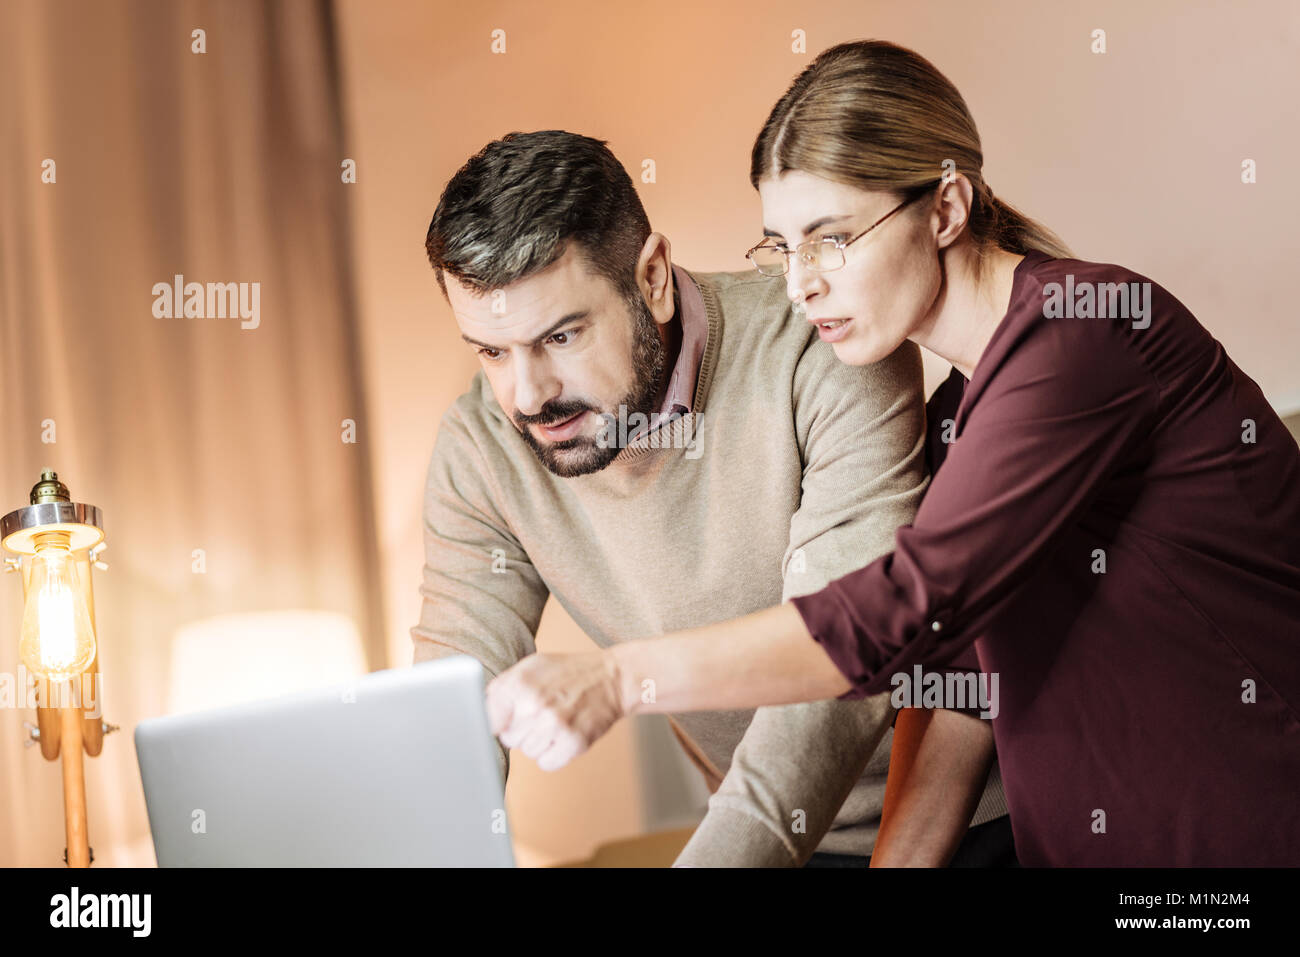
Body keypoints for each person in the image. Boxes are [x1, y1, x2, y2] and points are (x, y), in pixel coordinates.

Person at [484, 40, 1300, 866]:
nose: (801, 284)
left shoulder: (1083, 331)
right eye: (783, 244)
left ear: (945, 207)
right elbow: (956, 693)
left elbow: (898, 608)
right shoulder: (959, 414)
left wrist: (621, 678)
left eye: (832, 237)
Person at [415, 129, 1012, 867]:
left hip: (977, 824)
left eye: (562, 336)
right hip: (770, 840)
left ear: (654, 276)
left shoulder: (822, 345)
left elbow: (845, 662)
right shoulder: (481, 443)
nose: (529, 395)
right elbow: (448, 702)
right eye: (491, 351)